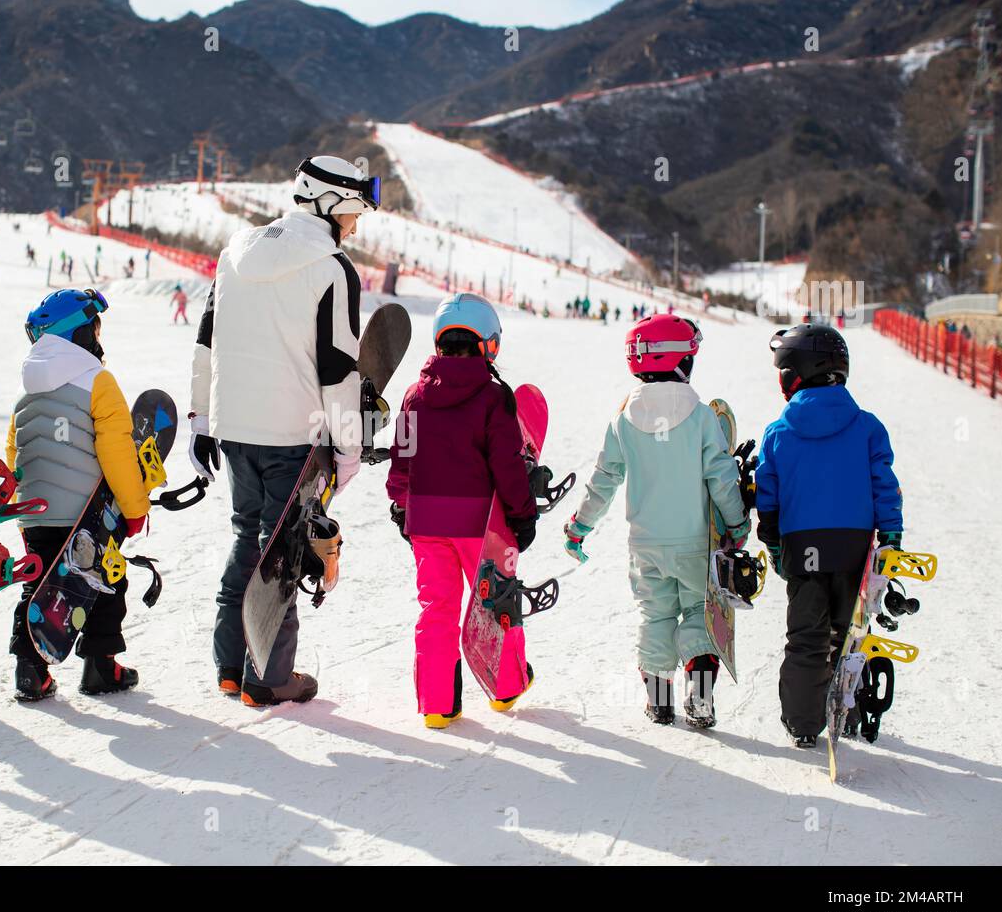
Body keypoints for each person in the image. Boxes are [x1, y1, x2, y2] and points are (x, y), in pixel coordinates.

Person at [188, 154, 375, 706]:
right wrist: (348, 446)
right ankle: (269, 678)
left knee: (249, 536)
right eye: (354, 213)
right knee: (283, 552)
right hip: (294, 430)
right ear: (331, 203)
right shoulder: (334, 268)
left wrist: (200, 420)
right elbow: (339, 368)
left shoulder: (233, 251)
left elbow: (205, 342)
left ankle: (230, 665)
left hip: (234, 424)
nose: (356, 225)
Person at [563, 313, 748, 728]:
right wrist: (736, 525)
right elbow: (721, 476)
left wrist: (580, 527)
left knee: (656, 616)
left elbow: (605, 479)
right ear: (680, 361)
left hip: (645, 545)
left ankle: (658, 701)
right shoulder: (701, 417)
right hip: (695, 543)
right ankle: (700, 699)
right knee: (700, 615)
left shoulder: (623, 419)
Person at [386, 294, 537, 728]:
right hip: (479, 524)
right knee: (494, 602)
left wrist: (401, 506)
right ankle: (506, 687)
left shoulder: (415, 396)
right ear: (488, 344)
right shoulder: (494, 398)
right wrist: (522, 514)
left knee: (436, 608)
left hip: (428, 522)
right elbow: (507, 466)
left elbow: (403, 457)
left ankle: (437, 704)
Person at [756, 324, 902, 748]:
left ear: (796, 374)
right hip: (853, 544)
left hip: (805, 547)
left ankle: (803, 722)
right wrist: (890, 534)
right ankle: (850, 708)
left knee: (807, 636)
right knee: (848, 630)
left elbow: (769, 494)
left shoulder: (779, 432)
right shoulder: (867, 427)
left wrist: (775, 541)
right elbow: (883, 486)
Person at [5, 289, 150, 701]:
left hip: (37, 513)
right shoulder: (98, 382)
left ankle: (30, 671)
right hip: (86, 512)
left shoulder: (25, 395)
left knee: (40, 585)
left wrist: (25, 517)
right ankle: (101, 668)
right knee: (103, 581)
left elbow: (15, 457)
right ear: (82, 334)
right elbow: (117, 451)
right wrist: (135, 507)